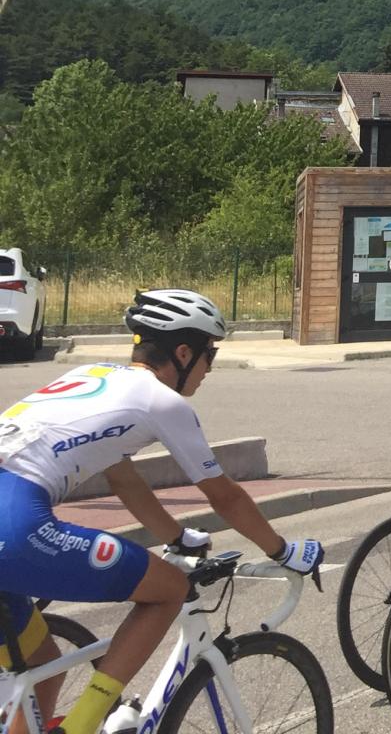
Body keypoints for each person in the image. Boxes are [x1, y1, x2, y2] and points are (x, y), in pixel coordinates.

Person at [0, 291, 323, 734]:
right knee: (170, 589)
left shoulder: (89, 375)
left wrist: (176, 537)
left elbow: (124, 479)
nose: (210, 368)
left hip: (12, 514)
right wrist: (283, 551)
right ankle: (81, 726)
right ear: (184, 353)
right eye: (210, 354)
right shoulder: (161, 400)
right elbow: (224, 497)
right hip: (13, 523)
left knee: (43, 668)